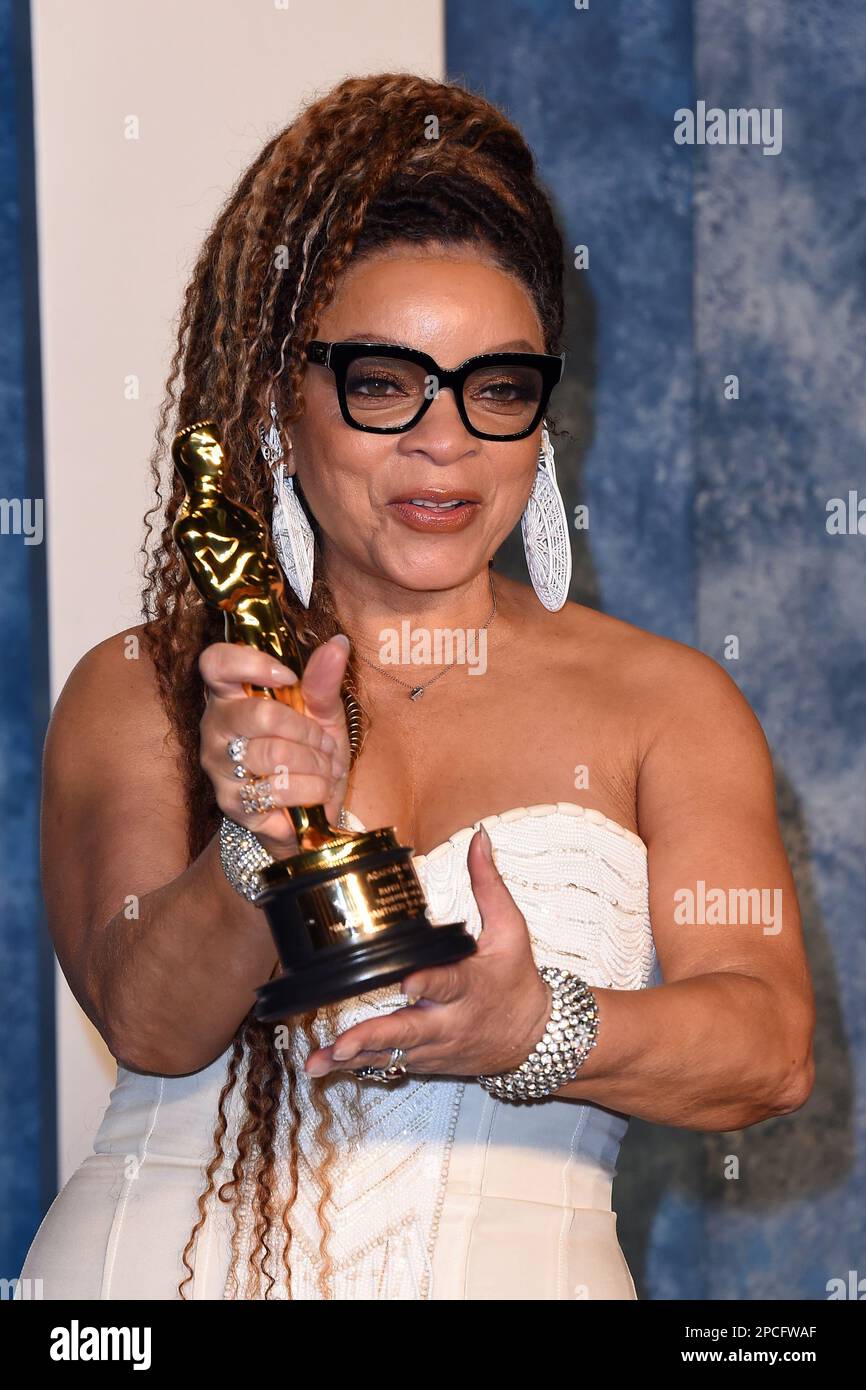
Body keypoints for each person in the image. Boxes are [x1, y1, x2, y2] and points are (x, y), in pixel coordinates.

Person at [18, 72, 815, 1301]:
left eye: (497, 387)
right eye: (383, 382)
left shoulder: (668, 704)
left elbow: (765, 1048)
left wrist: (536, 1029)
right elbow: (149, 1021)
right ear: (285, 400)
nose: (443, 441)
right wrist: (254, 845)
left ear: (541, 419)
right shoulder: (149, 684)